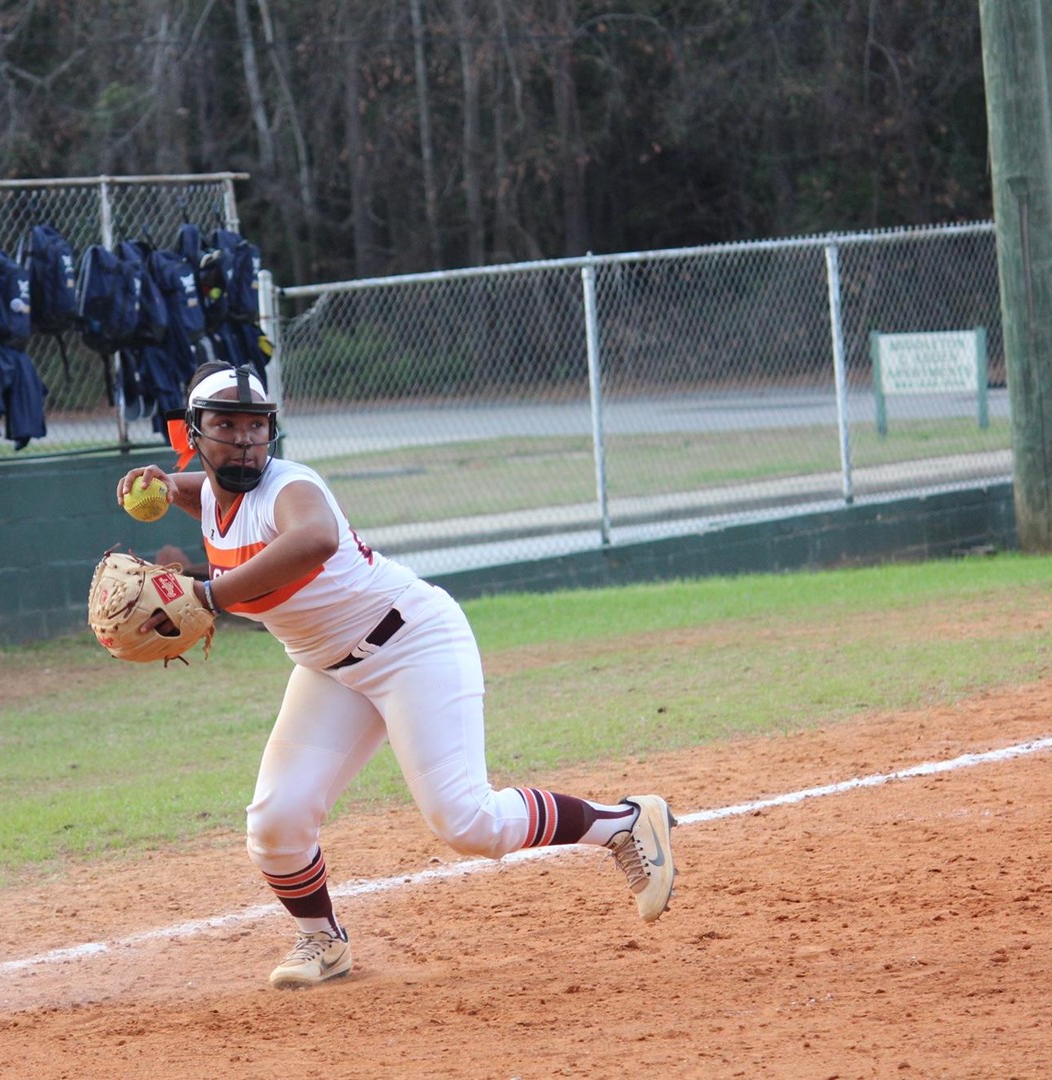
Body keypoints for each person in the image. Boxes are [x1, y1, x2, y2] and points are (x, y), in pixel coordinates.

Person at [116, 363, 678, 989]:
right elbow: (209, 497)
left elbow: (315, 539)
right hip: (328, 670)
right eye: (225, 425)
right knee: (275, 822)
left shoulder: (291, 488)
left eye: (256, 426)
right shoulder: (215, 495)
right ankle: (322, 941)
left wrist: (207, 593)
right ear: (194, 434)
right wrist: (167, 485)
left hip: (413, 643)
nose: (245, 439)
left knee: (468, 822)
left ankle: (623, 822)